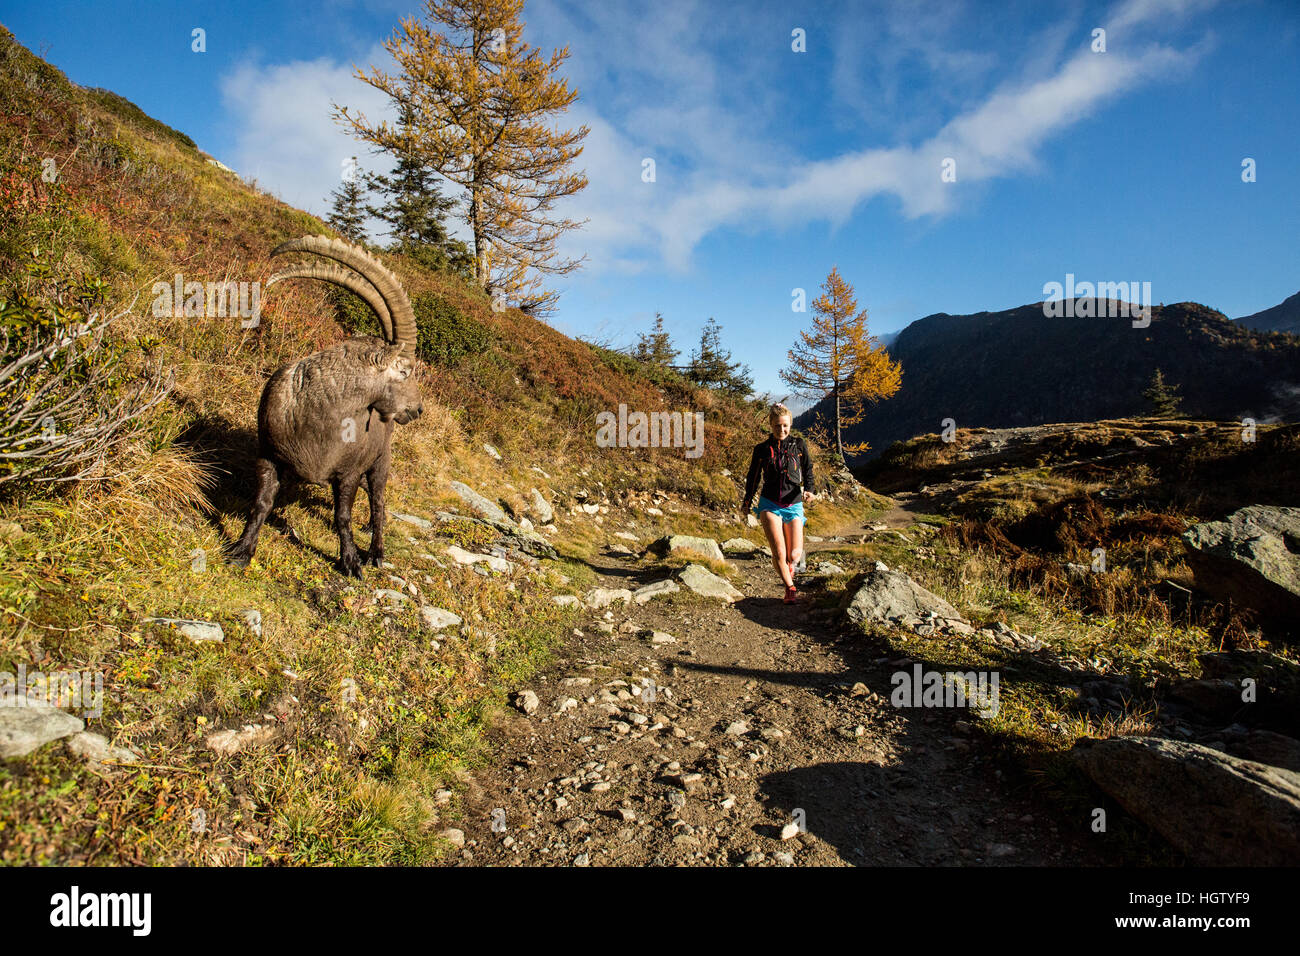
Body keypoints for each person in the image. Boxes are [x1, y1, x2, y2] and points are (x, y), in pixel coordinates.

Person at [741, 403, 814, 604]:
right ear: (770, 425)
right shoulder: (762, 449)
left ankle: (791, 567)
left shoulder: (799, 445)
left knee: (795, 554)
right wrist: (747, 501)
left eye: (785, 426)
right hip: (769, 504)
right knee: (779, 552)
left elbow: (808, 469)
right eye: (777, 426)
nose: (781, 430)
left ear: (790, 424)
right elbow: (753, 476)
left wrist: (809, 489)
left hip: (794, 504)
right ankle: (789, 588)